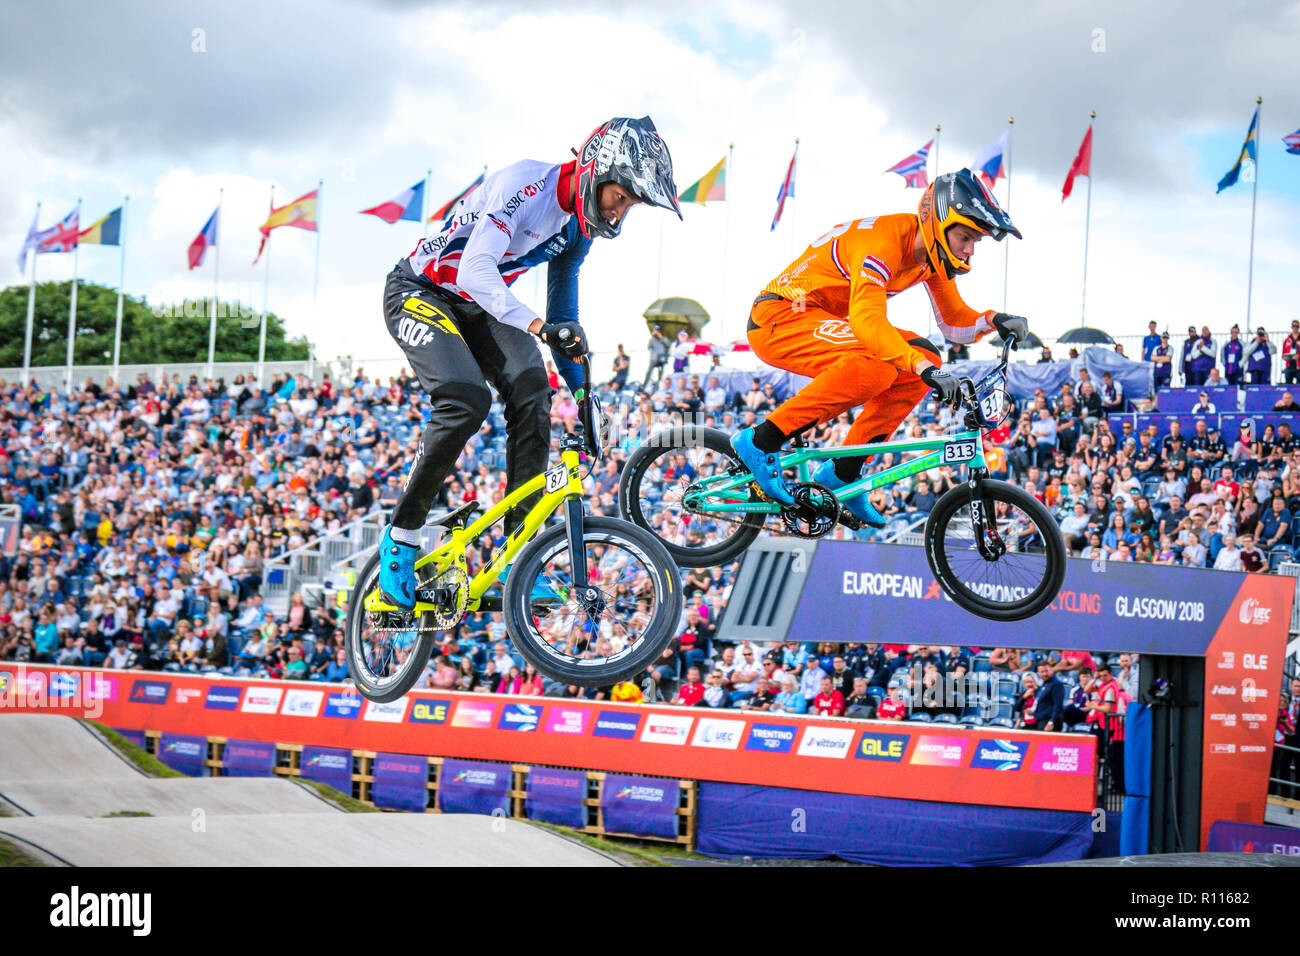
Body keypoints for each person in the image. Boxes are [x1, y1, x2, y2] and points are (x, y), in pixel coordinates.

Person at [374, 116, 681, 608]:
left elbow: (563, 318)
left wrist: (584, 395)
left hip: (480, 307)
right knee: (465, 399)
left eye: (629, 206)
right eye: (620, 197)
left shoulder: (577, 232)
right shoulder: (525, 184)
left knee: (535, 392)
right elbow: (476, 270)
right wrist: (540, 329)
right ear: (593, 170)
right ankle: (403, 536)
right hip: (421, 291)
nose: (619, 213)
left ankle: (520, 555)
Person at [729, 169, 1028, 526]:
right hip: (779, 316)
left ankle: (843, 471)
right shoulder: (884, 243)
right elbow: (868, 319)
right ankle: (761, 440)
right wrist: (920, 367)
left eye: (975, 241)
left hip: (817, 317)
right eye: (966, 237)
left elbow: (953, 323)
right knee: (882, 365)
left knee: (923, 357)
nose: (969, 249)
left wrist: (992, 320)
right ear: (939, 223)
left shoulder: (930, 255)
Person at [1285, 320, 1300, 385]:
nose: (1295, 327)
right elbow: (1283, 353)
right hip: (1289, 366)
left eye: (1297, 326)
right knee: (1288, 386)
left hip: (1299, 366)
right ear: (1291, 327)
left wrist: (1299, 356)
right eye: (1294, 326)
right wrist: (1285, 357)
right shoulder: (1287, 340)